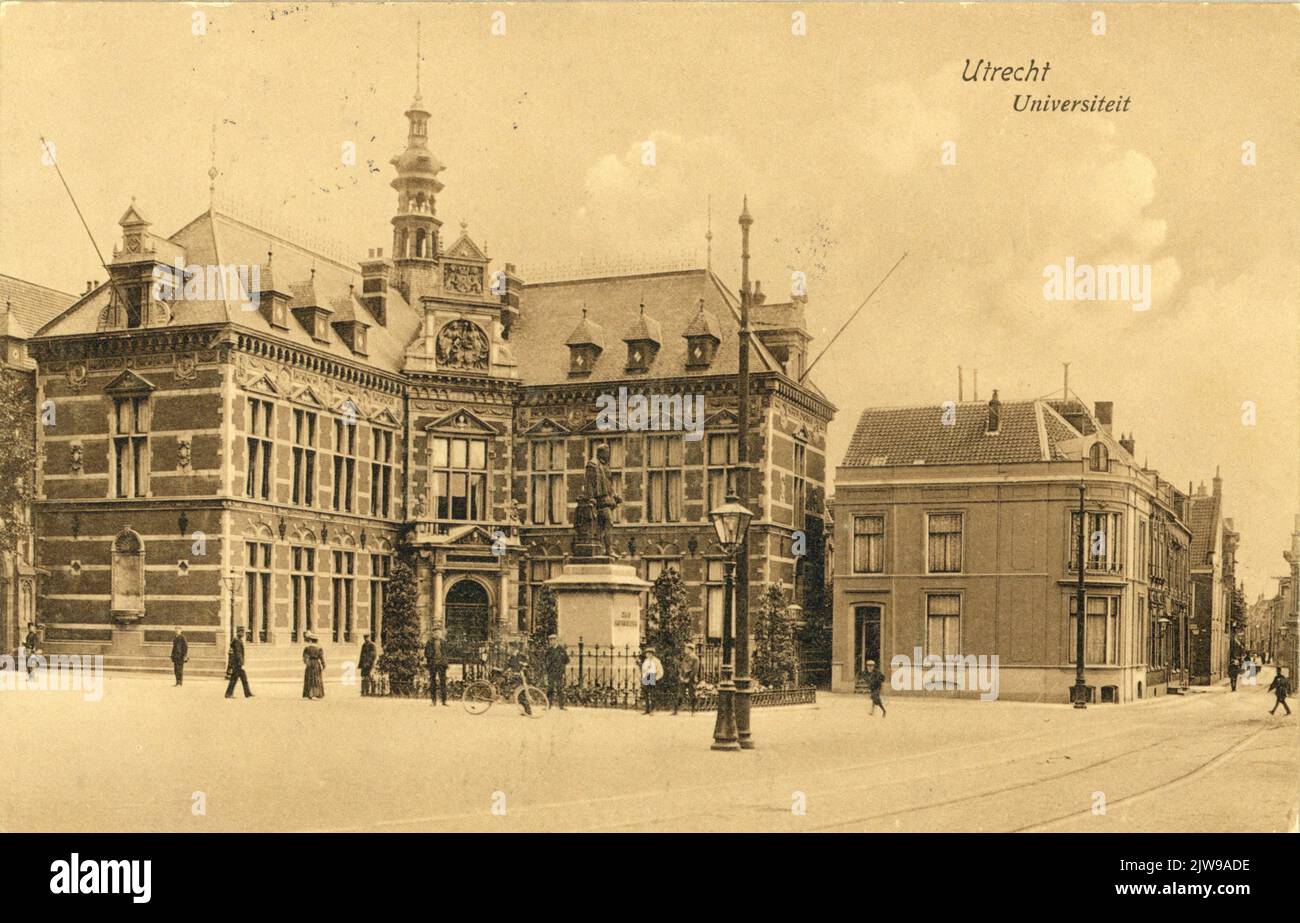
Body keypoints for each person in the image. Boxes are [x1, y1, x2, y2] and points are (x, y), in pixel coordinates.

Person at [224, 627, 253, 699]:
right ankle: (246, 693)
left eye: (243, 632)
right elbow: (238, 653)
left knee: (237, 679)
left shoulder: (238, 640)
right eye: (242, 632)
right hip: (238, 664)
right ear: (238, 632)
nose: (243, 634)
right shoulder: (237, 641)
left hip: (237, 664)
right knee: (242, 679)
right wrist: (241, 664)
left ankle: (246, 693)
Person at [674, 642, 702, 715]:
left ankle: (693, 711)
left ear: (690, 649)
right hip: (683, 678)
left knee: (692, 694)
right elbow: (681, 668)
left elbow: (695, 670)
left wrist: (689, 678)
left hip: (691, 679)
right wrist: (681, 677)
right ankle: (675, 710)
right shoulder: (685, 657)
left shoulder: (695, 658)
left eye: (686, 648)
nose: (685, 650)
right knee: (680, 693)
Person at [506, 643, 533, 716]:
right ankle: (527, 710)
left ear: (514, 648)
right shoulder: (511, 658)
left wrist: (523, 667)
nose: (509, 650)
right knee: (518, 694)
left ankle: (528, 711)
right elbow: (508, 666)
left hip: (522, 677)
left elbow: (527, 665)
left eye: (510, 648)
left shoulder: (521, 656)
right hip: (515, 677)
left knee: (521, 694)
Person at [424, 628, 448, 706]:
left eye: (439, 633)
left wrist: (445, 662)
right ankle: (433, 701)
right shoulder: (429, 642)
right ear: (433, 634)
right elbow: (426, 653)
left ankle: (444, 701)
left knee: (443, 683)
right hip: (433, 664)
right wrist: (431, 659)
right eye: (436, 633)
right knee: (433, 682)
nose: (437, 634)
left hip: (442, 665)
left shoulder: (444, 642)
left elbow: (446, 653)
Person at [544, 634, 569, 710]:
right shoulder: (549, 650)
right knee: (550, 688)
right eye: (550, 640)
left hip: (559, 672)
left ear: (556, 640)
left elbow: (567, 660)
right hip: (551, 672)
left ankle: (561, 706)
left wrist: (561, 666)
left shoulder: (561, 649)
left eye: (553, 640)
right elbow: (545, 660)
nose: (551, 642)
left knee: (559, 688)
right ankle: (548, 705)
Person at [640, 646, 663, 715]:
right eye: (646, 653)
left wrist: (656, 678)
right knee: (646, 693)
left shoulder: (656, 661)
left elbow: (660, 671)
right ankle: (647, 709)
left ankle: (653, 709)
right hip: (646, 677)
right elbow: (643, 669)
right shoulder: (646, 661)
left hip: (652, 677)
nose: (647, 654)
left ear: (652, 654)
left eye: (649, 653)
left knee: (653, 694)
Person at [302, 634, 326, 700]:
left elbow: (305, 657)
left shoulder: (307, 648)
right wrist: (323, 665)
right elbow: (322, 658)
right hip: (316, 664)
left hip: (310, 664)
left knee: (309, 678)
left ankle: (309, 694)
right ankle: (317, 693)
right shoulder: (319, 649)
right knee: (316, 679)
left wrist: (307, 663)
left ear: (310, 641)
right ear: (316, 641)